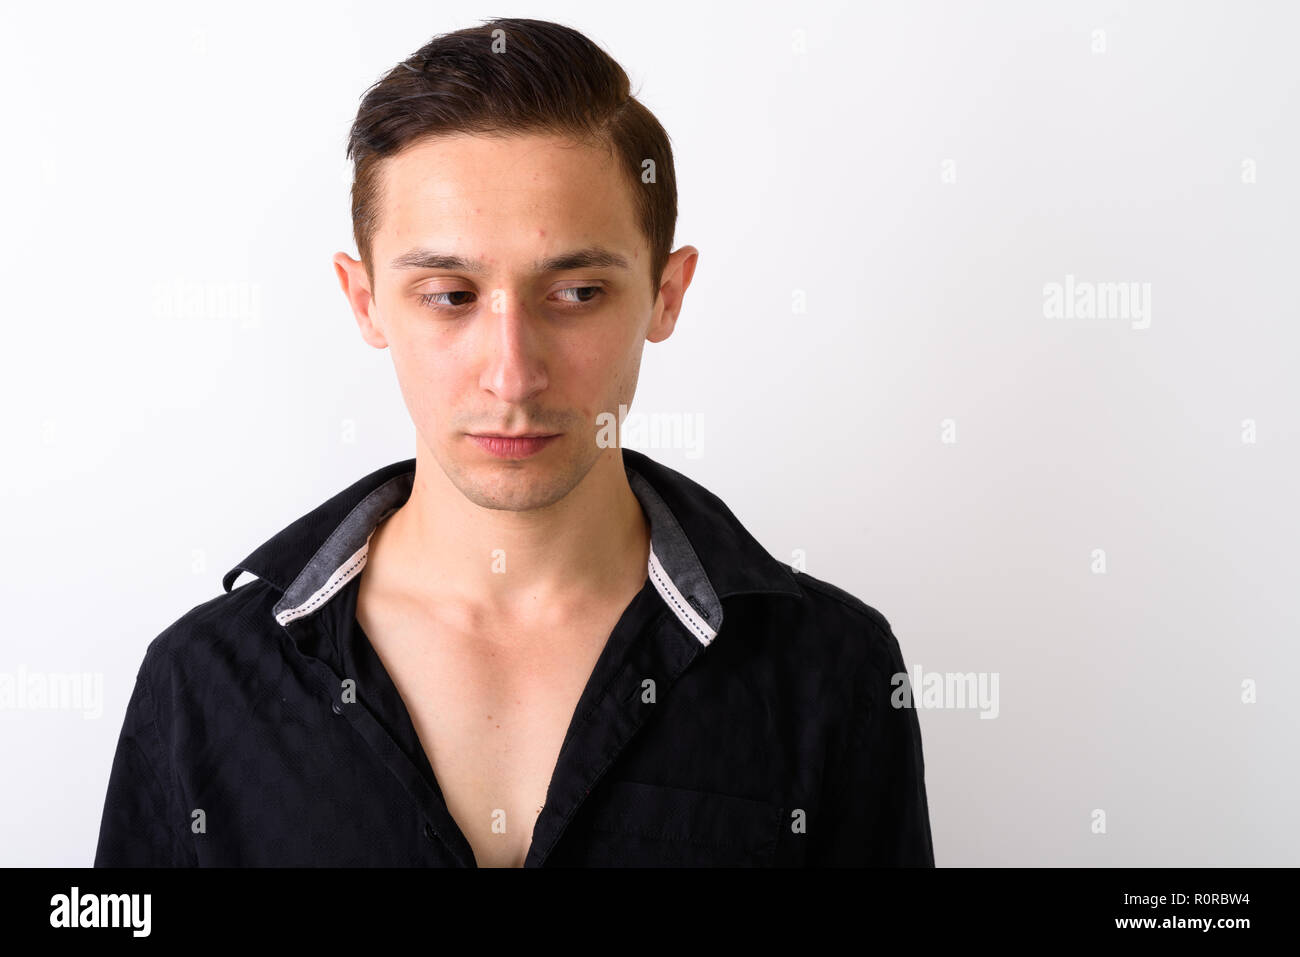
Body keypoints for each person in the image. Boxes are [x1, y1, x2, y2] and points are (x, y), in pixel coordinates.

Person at [93, 16, 934, 868]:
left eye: (574, 292)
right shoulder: (201, 682)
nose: (512, 373)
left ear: (666, 295)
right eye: (451, 295)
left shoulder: (835, 671)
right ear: (365, 302)